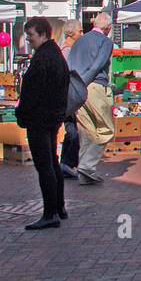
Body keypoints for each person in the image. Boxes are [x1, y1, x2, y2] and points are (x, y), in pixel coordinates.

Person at [15, 17, 69, 230]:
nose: (29, 40)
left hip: (40, 118)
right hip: (53, 116)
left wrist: (22, 113)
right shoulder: (56, 55)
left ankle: (50, 213)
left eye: (31, 36)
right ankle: (58, 207)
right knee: (52, 162)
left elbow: (32, 93)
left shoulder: (43, 58)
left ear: (44, 34)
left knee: (44, 165)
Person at [70, 12, 115, 185]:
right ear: (108, 28)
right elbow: (98, 65)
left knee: (86, 131)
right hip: (95, 85)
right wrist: (86, 80)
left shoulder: (79, 40)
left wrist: (76, 84)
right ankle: (87, 166)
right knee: (106, 129)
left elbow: (70, 64)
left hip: (77, 87)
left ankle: (85, 175)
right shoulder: (105, 42)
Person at [58, 19, 83, 180]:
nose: (82, 34)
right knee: (74, 131)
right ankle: (67, 163)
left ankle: (65, 163)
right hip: (68, 97)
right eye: (80, 31)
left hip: (69, 97)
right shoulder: (67, 52)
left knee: (72, 130)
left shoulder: (72, 51)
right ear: (70, 33)